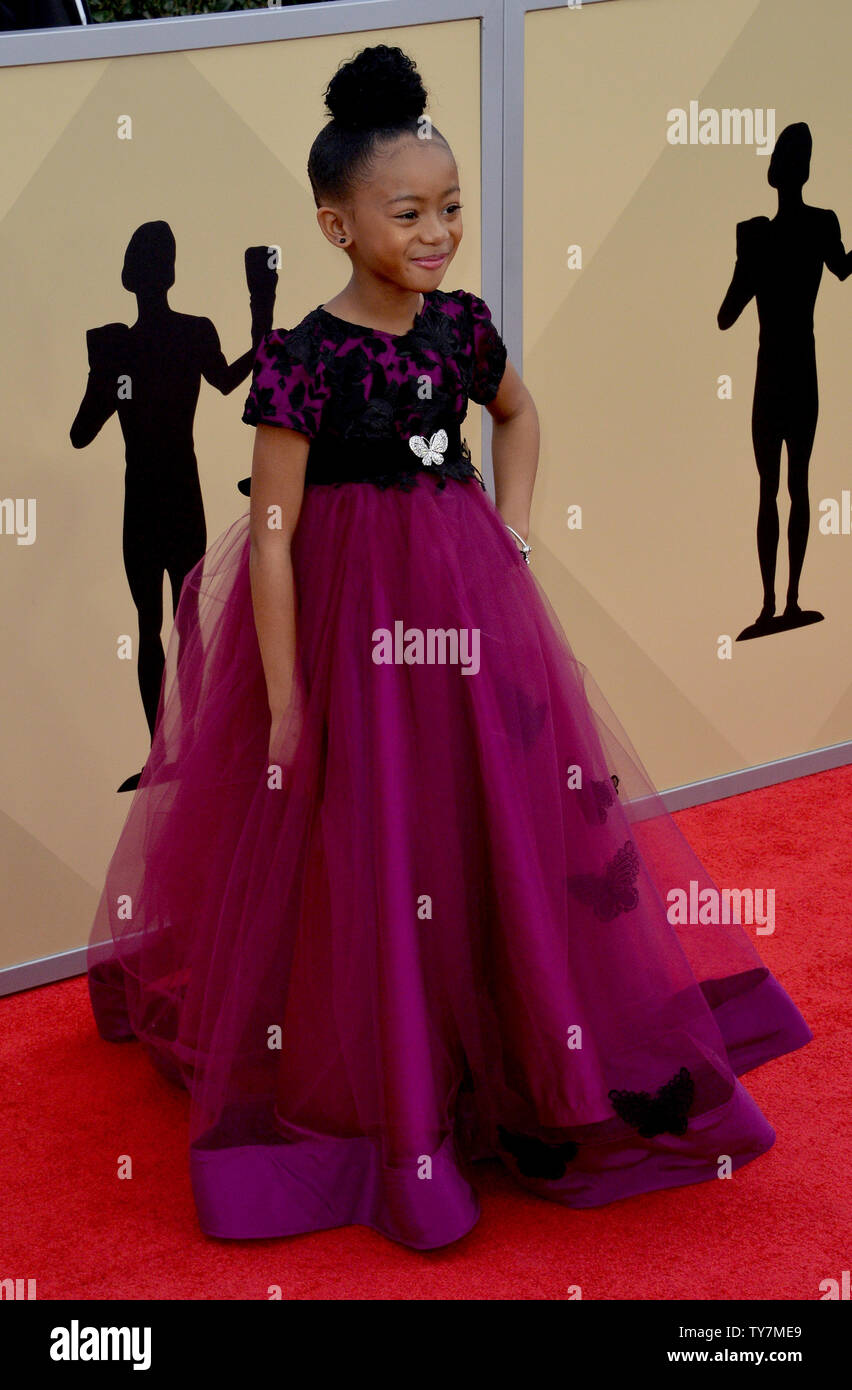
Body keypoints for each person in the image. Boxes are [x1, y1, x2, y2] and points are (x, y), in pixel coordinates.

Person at [87, 44, 811, 1251]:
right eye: (409, 211)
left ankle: (529, 1045)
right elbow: (271, 539)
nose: (438, 232)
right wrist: (280, 692)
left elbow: (520, 413)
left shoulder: (463, 329)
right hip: (345, 633)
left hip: (469, 618)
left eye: (452, 208)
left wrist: (509, 536)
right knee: (369, 833)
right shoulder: (302, 361)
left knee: (491, 818)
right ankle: (397, 1101)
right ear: (336, 221)